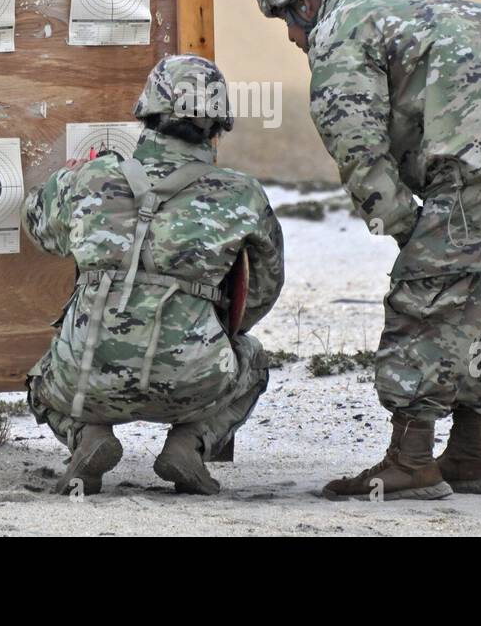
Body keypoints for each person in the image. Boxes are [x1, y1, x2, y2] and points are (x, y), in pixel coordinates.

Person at [253, 0, 481, 500]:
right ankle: (471, 454)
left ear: (307, 0)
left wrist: (409, 233)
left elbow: (358, 149)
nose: (291, 35)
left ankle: (410, 461)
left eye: (286, 18)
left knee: (425, 303)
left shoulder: (343, 29)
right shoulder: (418, 6)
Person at [24, 54, 285, 496]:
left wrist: (67, 177)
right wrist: (215, 330)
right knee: (253, 360)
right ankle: (188, 445)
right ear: (218, 124)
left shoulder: (90, 178)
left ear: (147, 112)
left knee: (40, 378)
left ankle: (88, 439)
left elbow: (38, 227)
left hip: (87, 379)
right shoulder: (243, 195)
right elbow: (262, 289)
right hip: (194, 382)